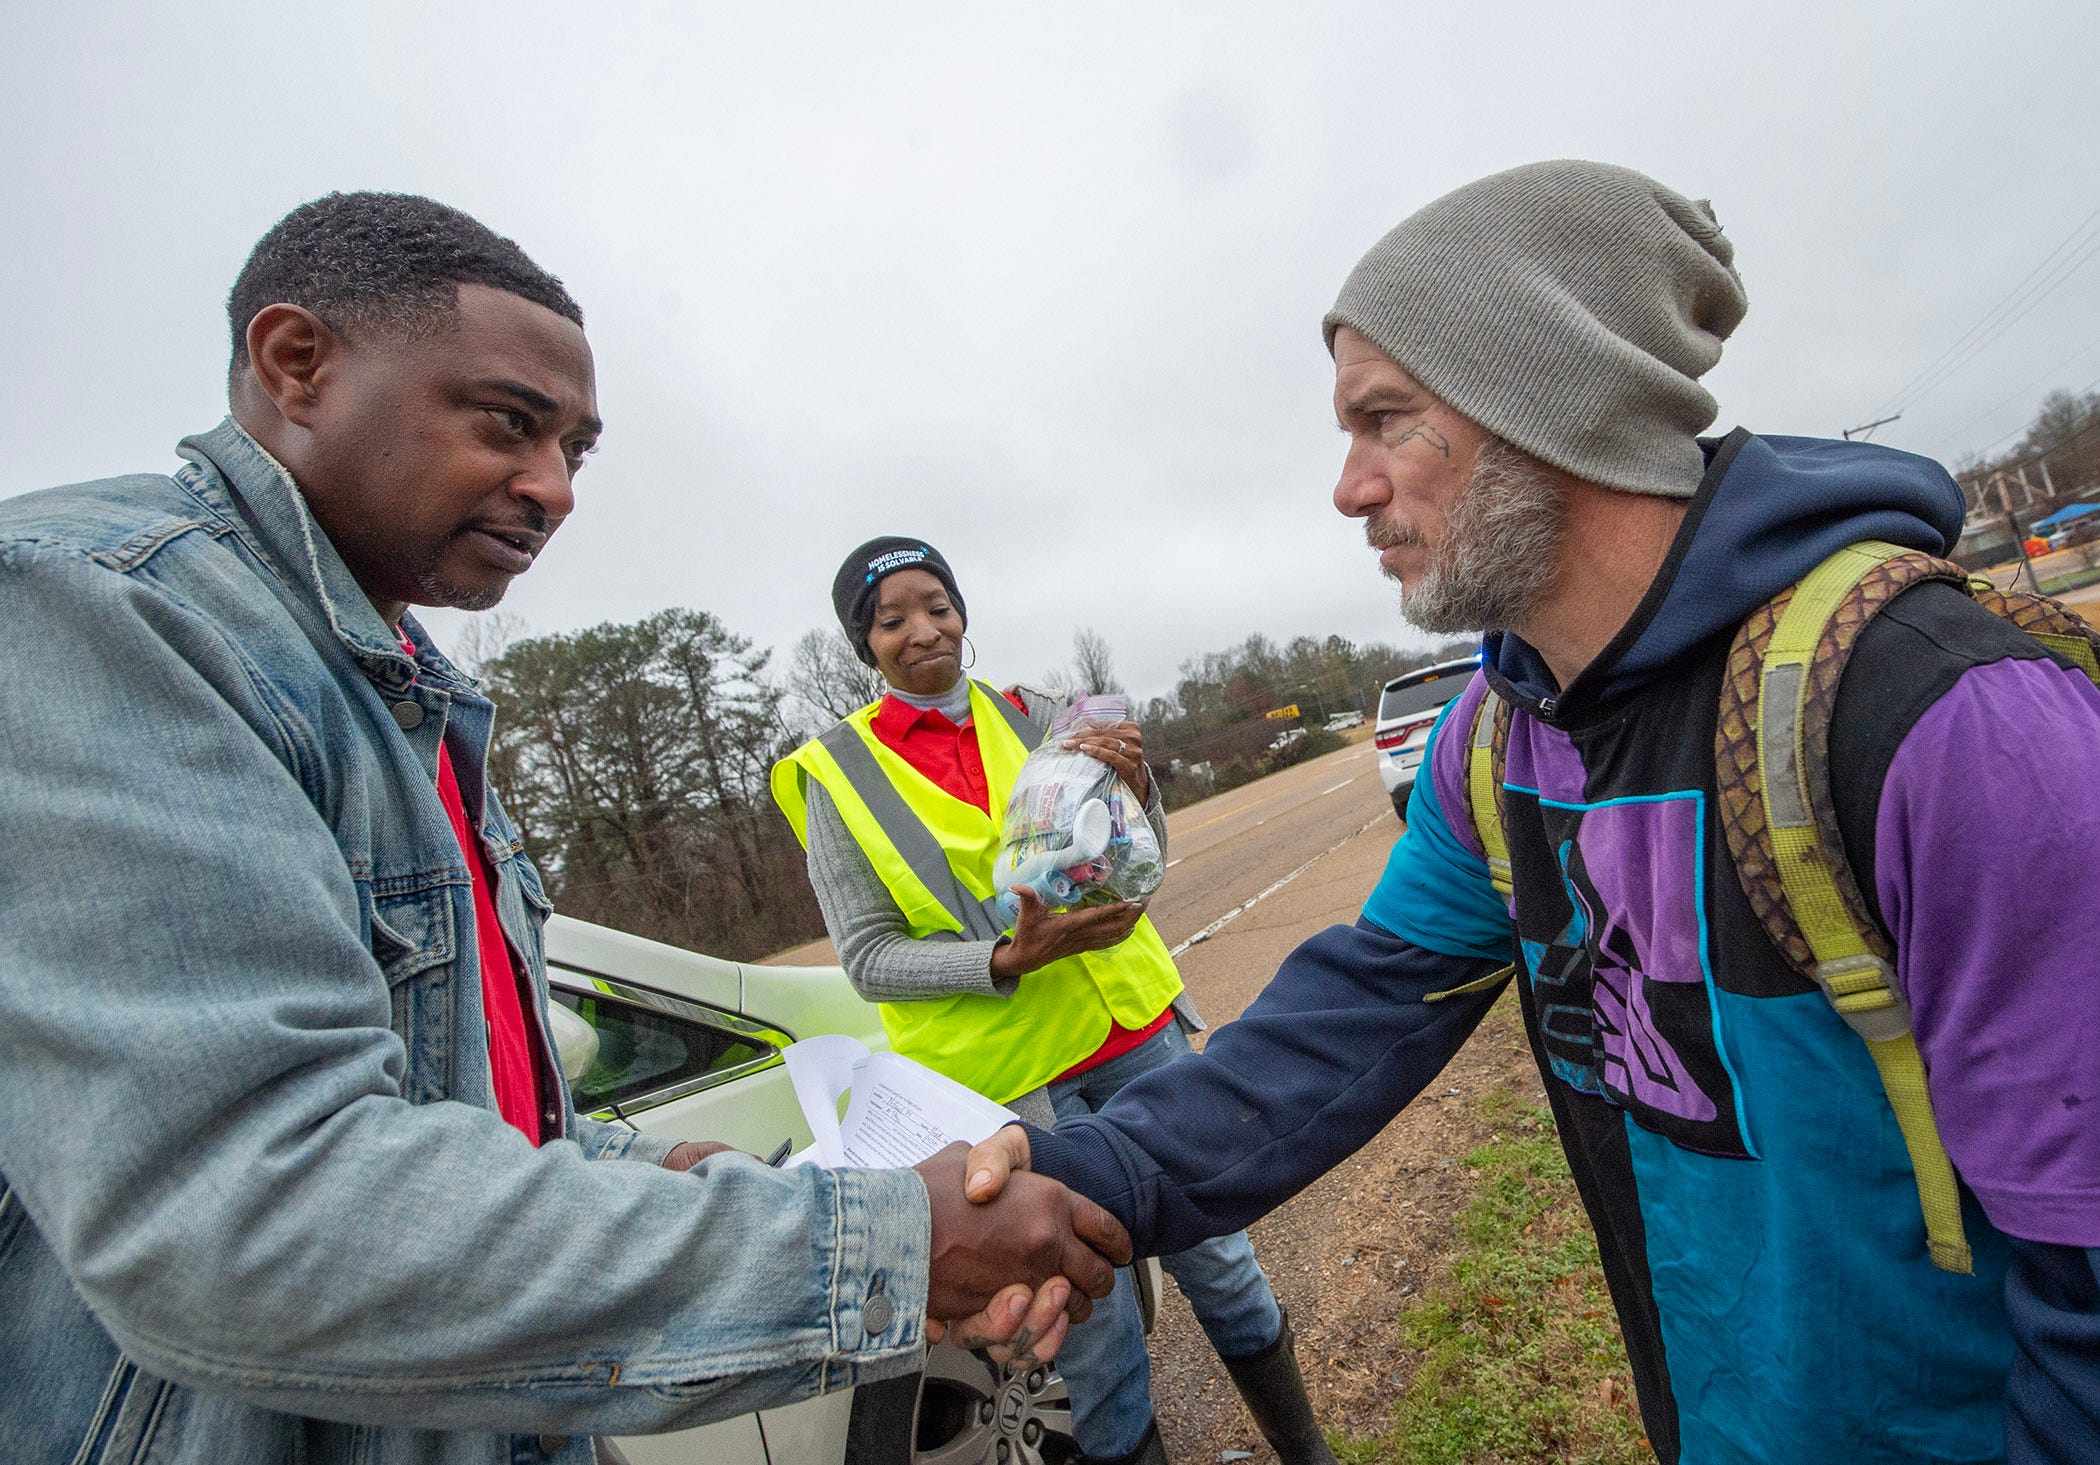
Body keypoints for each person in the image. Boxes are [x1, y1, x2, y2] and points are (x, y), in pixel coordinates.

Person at [958, 161, 2100, 1463]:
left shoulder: (1942, 723)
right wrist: (1074, 1180)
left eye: (1385, 419)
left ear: (1548, 405)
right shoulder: (1499, 742)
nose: (1349, 487)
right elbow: (1351, 1021)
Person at [0, 192, 1130, 1465]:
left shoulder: (408, 703)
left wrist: (664, 1170)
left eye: (577, 450)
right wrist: (880, 1247)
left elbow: (482, 1119)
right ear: (295, 364)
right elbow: (247, 1209)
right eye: (509, 424)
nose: (554, 489)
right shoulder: (98, 613)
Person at [770, 538, 1331, 1465]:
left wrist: (1145, 792)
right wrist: (1000, 956)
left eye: (937, 604)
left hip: (1136, 1033)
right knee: (1095, 1331)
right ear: (861, 642)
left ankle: (1311, 1453)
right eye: (891, 618)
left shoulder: (1042, 713)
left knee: (1224, 1265)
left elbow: (1136, 851)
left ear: (962, 610)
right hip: (1019, 1087)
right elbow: (870, 957)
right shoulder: (834, 774)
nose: (923, 630)